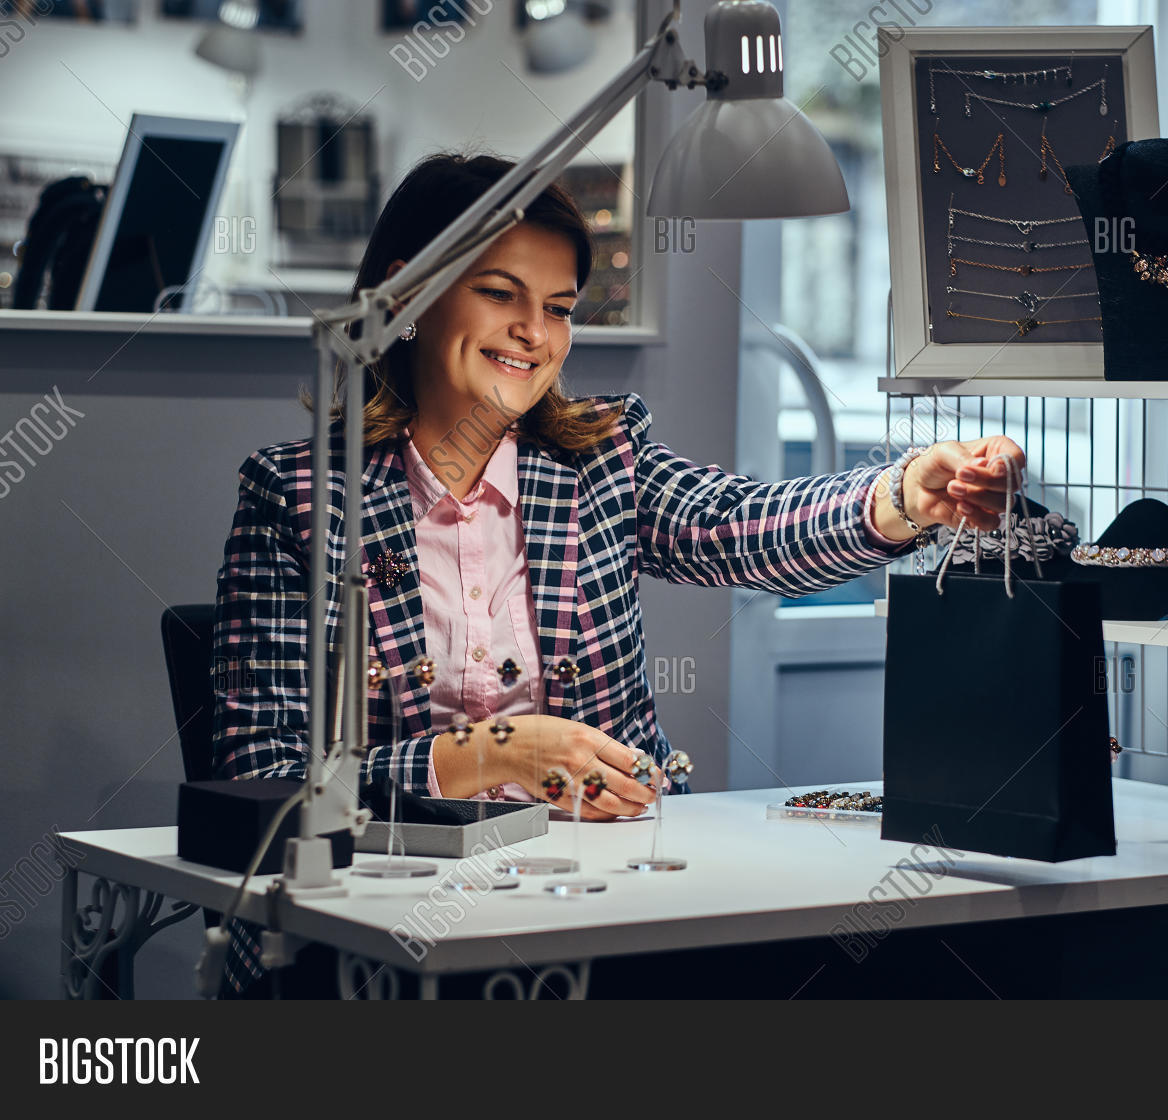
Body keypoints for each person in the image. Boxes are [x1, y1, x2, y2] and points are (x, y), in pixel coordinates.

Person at [210, 152, 1024, 996]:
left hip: (598, 904)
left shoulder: (599, 460)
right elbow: (264, 778)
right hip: (376, 926)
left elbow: (742, 526)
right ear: (406, 292)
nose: (535, 331)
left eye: (558, 308)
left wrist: (905, 494)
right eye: (500, 293)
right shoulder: (301, 497)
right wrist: (490, 754)